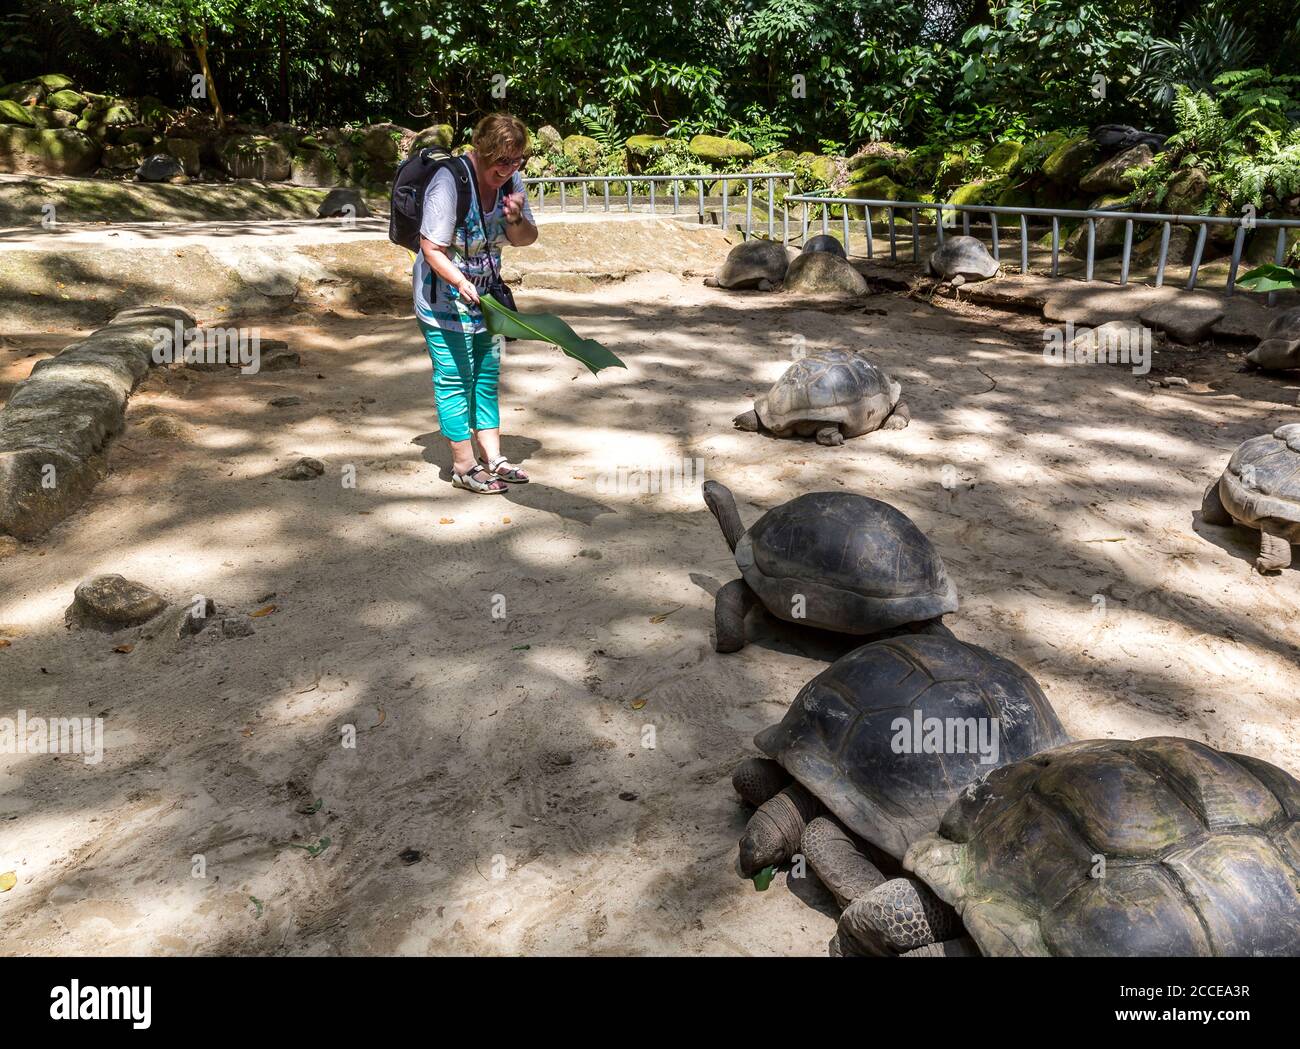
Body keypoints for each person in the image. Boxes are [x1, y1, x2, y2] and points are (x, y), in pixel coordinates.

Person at [414, 112, 538, 493]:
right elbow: (430, 246)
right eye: (501, 161)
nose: (508, 168)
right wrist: (460, 280)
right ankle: (464, 466)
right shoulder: (449, 181)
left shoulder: (511, 181)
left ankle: (494, 456)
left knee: (486, 375)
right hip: (443, 298)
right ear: (479, 151)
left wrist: (515, 218)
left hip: (486, 298)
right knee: (455, 379)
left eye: (516, 160)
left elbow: (526, 238)